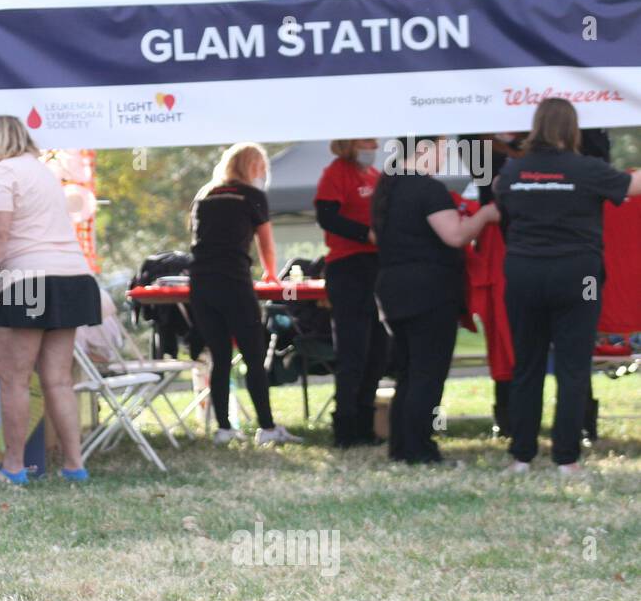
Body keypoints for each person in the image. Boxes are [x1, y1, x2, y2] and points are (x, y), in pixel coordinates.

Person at [495, 99, 641, 475]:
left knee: (526, 367)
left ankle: (521, 457)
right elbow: (633, 186)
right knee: (573, 368)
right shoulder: (588, 169)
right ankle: (566, 459)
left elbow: (504, 211)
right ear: (572, 129)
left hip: (524, 274)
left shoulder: (512, 172)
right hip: (580, 277)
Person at [0, 114, 101, 482]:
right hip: (73, 277)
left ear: (2, 137)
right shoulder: (42, 170)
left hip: (29, 279)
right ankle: (75, 466)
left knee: (12, 378)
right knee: (58, 379)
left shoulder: (3, 173)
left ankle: (13, 467)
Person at [372, 137, 499, 464]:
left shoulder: (389, 189)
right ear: (424, 150)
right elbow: (455, 235)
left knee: (409, 372)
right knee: (428, 374)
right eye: (443, 150)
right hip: (429, 292)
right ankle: (419, 450)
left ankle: (401, 448)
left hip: (393, 289)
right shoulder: (428, 190)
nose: (447, 156)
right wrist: (484, 215)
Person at [188, 142, 301, 446]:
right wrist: (271, 273)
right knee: (253, 356)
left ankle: (224, 428)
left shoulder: (205, 194)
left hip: (200, 283)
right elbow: (265, 242)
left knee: (220, 358)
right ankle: (266, 427)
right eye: (261, 168)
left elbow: (196, 236)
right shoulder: (252, 196)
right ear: (253, 168)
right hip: (234, 282)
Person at [315, 138, 389, 447]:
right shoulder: (336, 173)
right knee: (353, 350)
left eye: (374, 141)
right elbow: (326, 216)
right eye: (365, 142)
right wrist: (364, 234)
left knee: (378, 349)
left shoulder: (374, 175)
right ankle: (345, 426)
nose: (372, 146)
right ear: (348, 145)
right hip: (348, 266)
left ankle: (365, 422)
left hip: (377, 266)